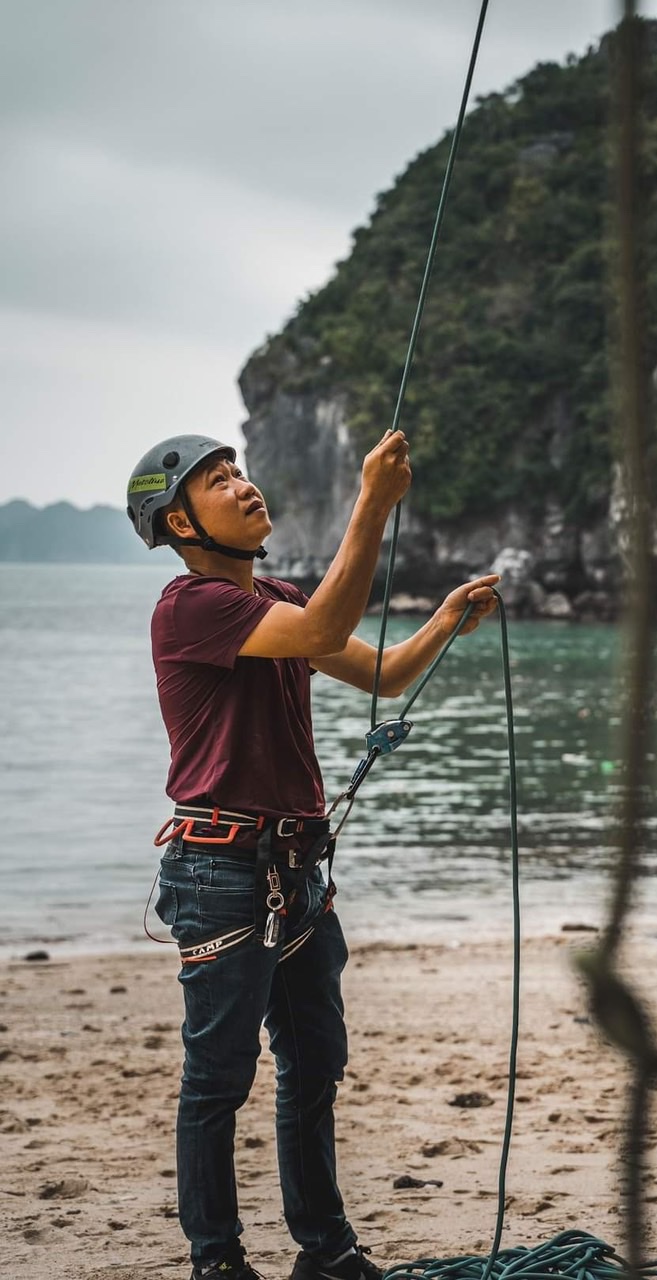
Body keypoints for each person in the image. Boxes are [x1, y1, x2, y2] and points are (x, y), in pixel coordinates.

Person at [126, 430, 499, 1280]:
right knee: (219, 1077)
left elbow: (383, 674)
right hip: (220, 872)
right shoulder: (189, 608)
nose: (244, 485)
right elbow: (333, 621)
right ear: (180, 523)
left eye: (239, 471)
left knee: (314, 1067)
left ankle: (326, 1255)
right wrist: (371, 500)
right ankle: (216, 1264)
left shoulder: (276, 603)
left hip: (295, 872)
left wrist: (443, 620)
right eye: (219, 482)